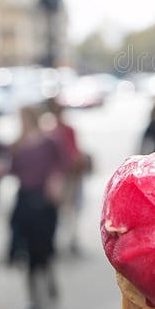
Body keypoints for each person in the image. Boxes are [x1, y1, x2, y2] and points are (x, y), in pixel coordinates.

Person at [9, 106, 65, 309]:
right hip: (25, 200)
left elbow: (60, 165)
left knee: (44, 246)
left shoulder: (48, 142)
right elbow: (13, 170)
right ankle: (34, 297)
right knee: (27, 250)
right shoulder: (18, 145)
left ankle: (48, 277)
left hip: (44, 201)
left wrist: (56, 183)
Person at [46, 98, 91, 256]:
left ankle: (70, 239)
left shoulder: (61, 130)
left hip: (69, 174)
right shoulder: (53, 131)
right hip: (64, 175)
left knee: (70, 209)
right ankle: (67, 240)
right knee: (66, 210)